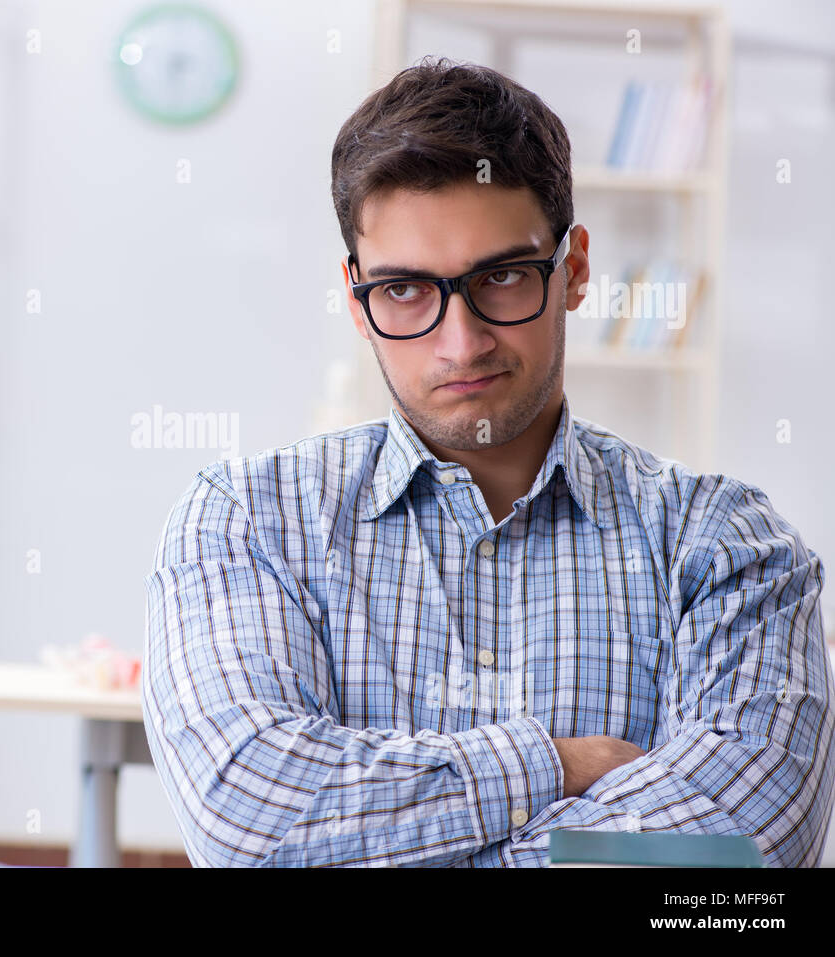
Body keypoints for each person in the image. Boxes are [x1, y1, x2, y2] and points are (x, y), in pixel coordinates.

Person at [140, 57, 834, 867]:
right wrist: (557, 764)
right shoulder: (247, 516)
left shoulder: (725, 543)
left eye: (501, 277)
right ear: (357, 295)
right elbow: (245, 819)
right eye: (405, 291)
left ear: (573, 270)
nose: (460, 341)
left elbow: (736, 864)